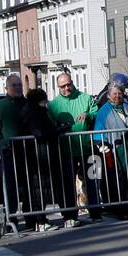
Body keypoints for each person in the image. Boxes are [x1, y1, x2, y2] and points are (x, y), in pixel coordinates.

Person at [48, 71, 102, 222]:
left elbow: (96, 112)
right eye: (62, 86)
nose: (66, 88)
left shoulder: (85, 98)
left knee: (93, 180)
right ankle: (70, 216)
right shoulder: (53, 105)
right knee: (68, 184)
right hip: (66, 150)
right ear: (58, 87)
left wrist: (89, 115)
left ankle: (95, 212)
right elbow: (51, 125)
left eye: (68, 84)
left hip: (87, 146)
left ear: (72, 82)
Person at [21, 86, 78, 227]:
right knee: (41, 189)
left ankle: (65, 217)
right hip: (41, 156)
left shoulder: (34, 111)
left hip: (45, 156)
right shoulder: (34, 113)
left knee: (53, 187)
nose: (46, 102)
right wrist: (59, 130)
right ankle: (41, 221)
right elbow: (40, 133)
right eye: (44, 100)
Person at [0, 73, 37, 232]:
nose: (17, 88)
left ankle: (31, 218)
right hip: (8, 155)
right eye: (14, 85)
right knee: (10, 189)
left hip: (28, 152)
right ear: (7, 88)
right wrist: (0, 146)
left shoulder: (28, 104)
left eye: (19, 85)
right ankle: (11, 220)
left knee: (30, 186)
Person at [93, 80, 128, 218]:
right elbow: (98, 129)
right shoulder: (103, 111)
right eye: (114, 93)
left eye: (119, 93)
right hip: (115, 149)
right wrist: (102, 144)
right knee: (118, 180)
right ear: (109, 96)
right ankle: (122, 210)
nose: (117, 96)